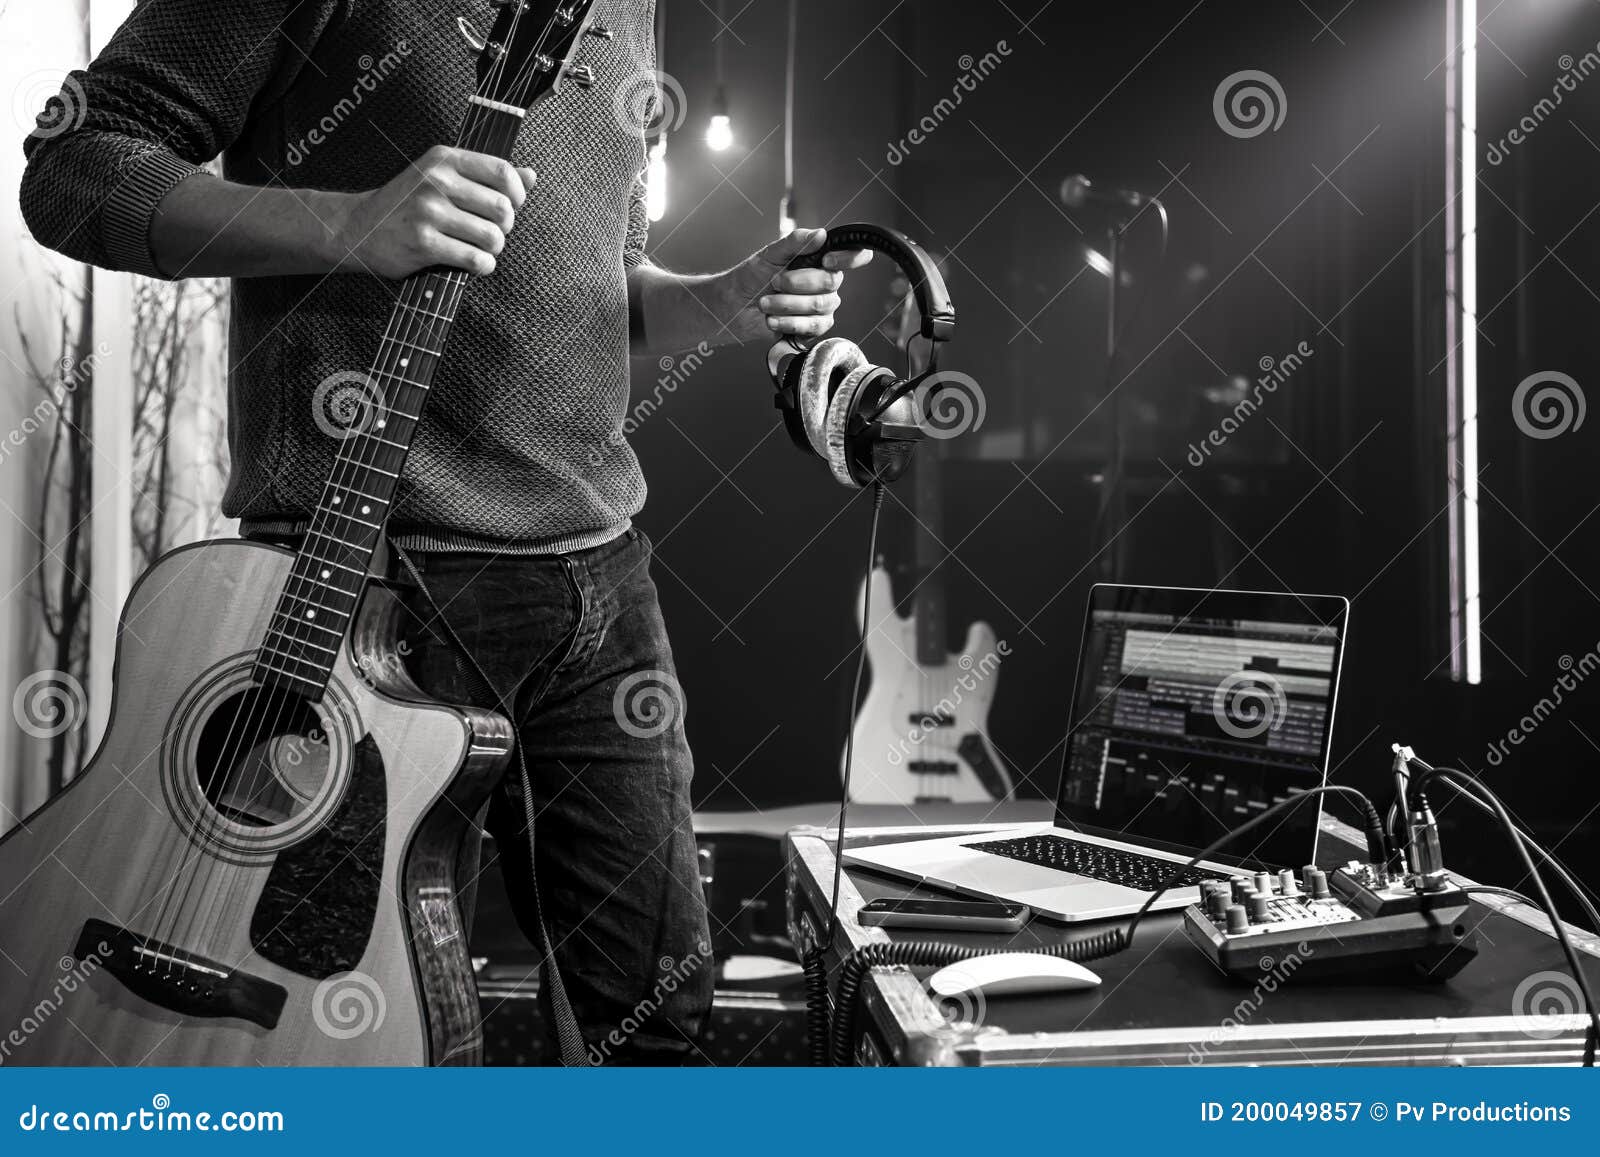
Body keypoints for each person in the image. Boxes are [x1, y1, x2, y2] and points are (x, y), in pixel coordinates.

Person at [19, 0, 868, 1064]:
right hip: (365, 583)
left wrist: (721, 304)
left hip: (595, 582)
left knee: (658, 1030)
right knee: (352, 1047)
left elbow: (596, 282)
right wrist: (350, 222)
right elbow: (75, 167)